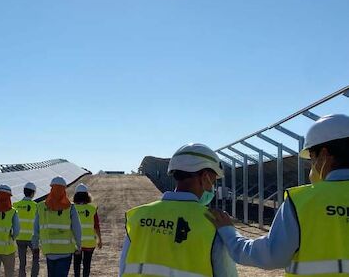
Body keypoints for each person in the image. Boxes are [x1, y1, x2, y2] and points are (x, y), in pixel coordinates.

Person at [206, 114, 349, 276]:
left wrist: (229, 233)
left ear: (324, 155)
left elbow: (271, 256)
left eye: (312, 158)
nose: (312, 165)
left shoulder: (301, 201)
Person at [118, 143, 237, 276]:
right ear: (204, 177)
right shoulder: (215, 223)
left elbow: (123, 268)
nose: (212, 188)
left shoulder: (138, 216)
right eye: (213, 181)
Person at [32, 176, 83, 277]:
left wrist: (35, 245)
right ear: (64, 189)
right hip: (66, 251)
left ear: (51, 189)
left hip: (49, 250)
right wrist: (79, 245)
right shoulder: (70, 207)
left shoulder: (41, 207)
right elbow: (77, 228)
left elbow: (36, 229)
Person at [0, 184, 21, 277]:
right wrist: (12, 238)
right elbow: (17, 230)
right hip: (8, 249)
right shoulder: (12, 212)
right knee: (9, 273)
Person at [73, 183, 102, 277]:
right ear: (87, 195)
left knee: (76, 264)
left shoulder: (72, 208)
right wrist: (99, 240)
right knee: (87, 265)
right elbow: (96, 225)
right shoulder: (92, 208)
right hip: (89, 242)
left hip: (76, 242)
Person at [13, 182, 39, 277]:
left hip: (20, 237)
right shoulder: (37, 206)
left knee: (22, 262)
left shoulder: (15, 205)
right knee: (35, 259)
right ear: (33, 193)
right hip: (33, 238)